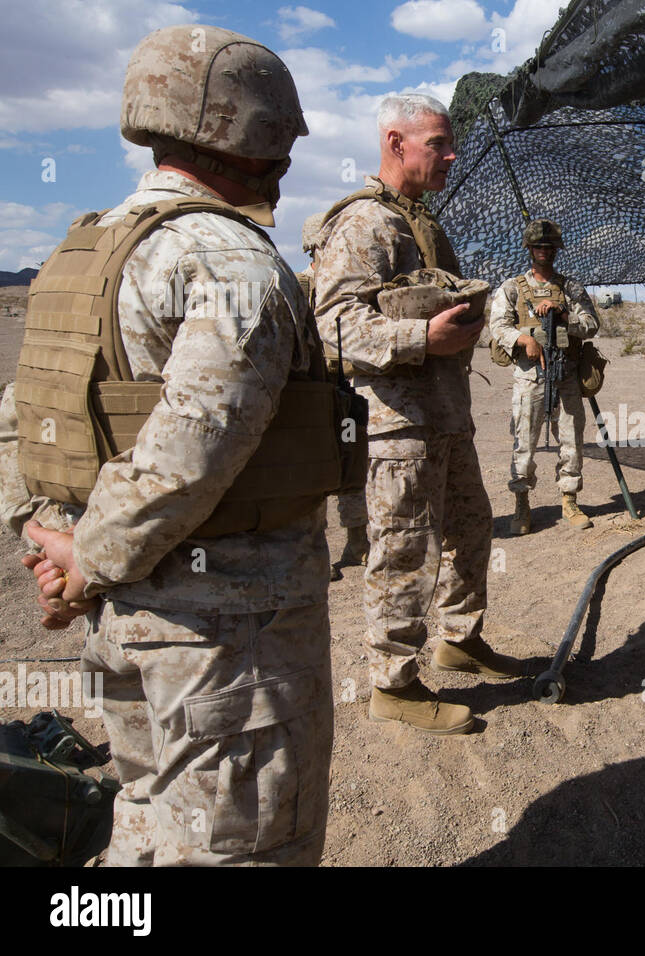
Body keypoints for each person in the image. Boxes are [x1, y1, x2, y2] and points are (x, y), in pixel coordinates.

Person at [16, 24, 333, 864]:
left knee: (150, 832)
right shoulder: (235, 263)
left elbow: (27, 416)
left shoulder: (80, 253)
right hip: (227, 634)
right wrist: (86, 560)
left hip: (123, 626)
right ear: (254, 131)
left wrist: (47, 540)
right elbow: (194, 444)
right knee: (246, 848)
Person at [314, 92, 522, 735]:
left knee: (471, 530)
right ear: (396, 143)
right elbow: (335, 327)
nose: (450, 153)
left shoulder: (421, 223)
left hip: (445, 418)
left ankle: (459, 640)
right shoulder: (365, 225)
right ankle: (393, 683)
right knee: (405, 552)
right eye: (437, 142)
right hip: (397, 424)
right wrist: (421, 340)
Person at [487, 219, 602, 534]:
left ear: (556, 251)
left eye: (549, 247)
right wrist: (524, 340)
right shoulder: (512, 288)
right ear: (529, 249)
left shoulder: (570, 288)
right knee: (524, 441)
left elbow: (591, 323)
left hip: (565, 373)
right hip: (530, 376)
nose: (544, 252)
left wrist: (564, 314)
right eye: (539, 246)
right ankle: (521, 504)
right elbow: (497, 326)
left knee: (571, 440)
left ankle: (569, 499)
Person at [300, 212, 368, 581]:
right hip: (311, 396)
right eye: (323, 246)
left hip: (345, 392)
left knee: (351, 464)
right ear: (312, 248)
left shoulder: (345, 287)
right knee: (313, 473)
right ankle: (316, 550)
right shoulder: (299, 287)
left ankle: (358, 541)